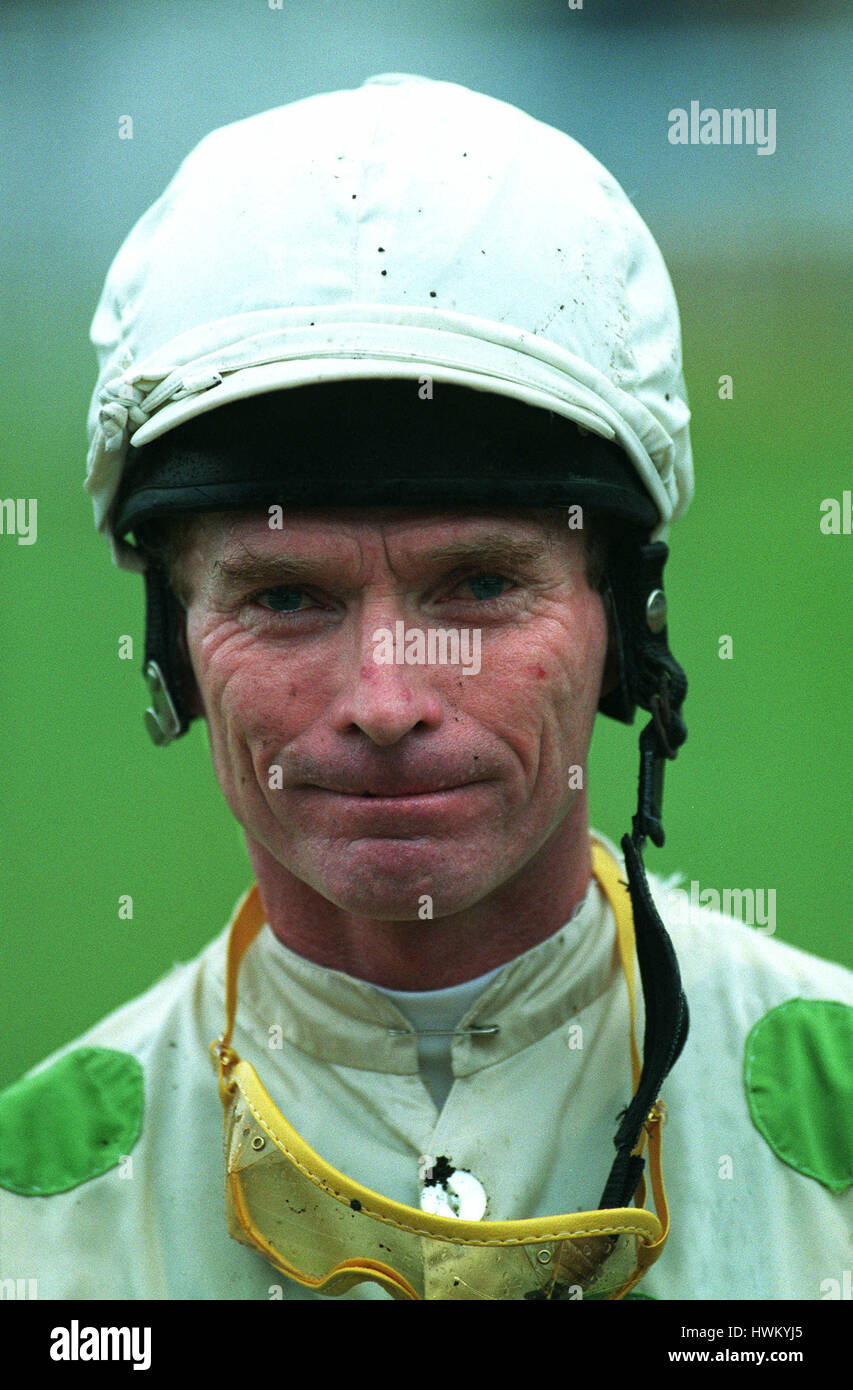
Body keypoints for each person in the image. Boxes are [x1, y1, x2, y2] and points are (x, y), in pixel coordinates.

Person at [0, 74, 849, 1302]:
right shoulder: (34, 1210)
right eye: (287, 597)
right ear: (174, 645)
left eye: (478, 584)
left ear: (628, 622)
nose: (387, 698)